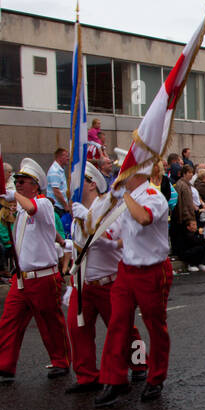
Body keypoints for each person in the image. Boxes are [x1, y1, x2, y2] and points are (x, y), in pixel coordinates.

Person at [0, 158, 70, 381]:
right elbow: (44, 231)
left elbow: (32, 209)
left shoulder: (43, 203)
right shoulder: (20, 209)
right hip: (22, 279)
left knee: (50, 323)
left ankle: (61, 361)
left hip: (43, 277)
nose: (18, 184)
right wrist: (59, 240)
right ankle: (3, 365)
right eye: (17, 181)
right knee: (10, 321)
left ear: (35, 185)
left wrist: (14, 197)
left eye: (23, 181)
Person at [94, 160, 173, 407]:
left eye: (123, 171)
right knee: (118, 323)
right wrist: (89, 220)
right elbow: (113, 231)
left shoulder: (153, 196)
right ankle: (114, 380)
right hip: (126, 270)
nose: (118, 176)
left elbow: (143, 218)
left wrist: (123, 196)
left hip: (152, 271)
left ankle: (156, 377)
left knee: (155, 325)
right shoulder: (124, 199)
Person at [64, 166, 147, 393]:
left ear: (92, 184)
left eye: (79, 181)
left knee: (125, 330)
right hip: (82, 283)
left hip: (108, 282)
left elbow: (108, 237)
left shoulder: (114, 209)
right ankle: (87, 376)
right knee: (77, 328)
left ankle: (140, 363)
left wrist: (88, 217)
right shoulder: (77, 212)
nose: (72, 185)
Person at [47, 147, 71, 233]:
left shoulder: (60, 170)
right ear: (59, 157)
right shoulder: (55, 171)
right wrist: (65, 206)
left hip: (60, 206)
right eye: (66, 156)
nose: (68, 158)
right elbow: (56, 191)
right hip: (57, 207)